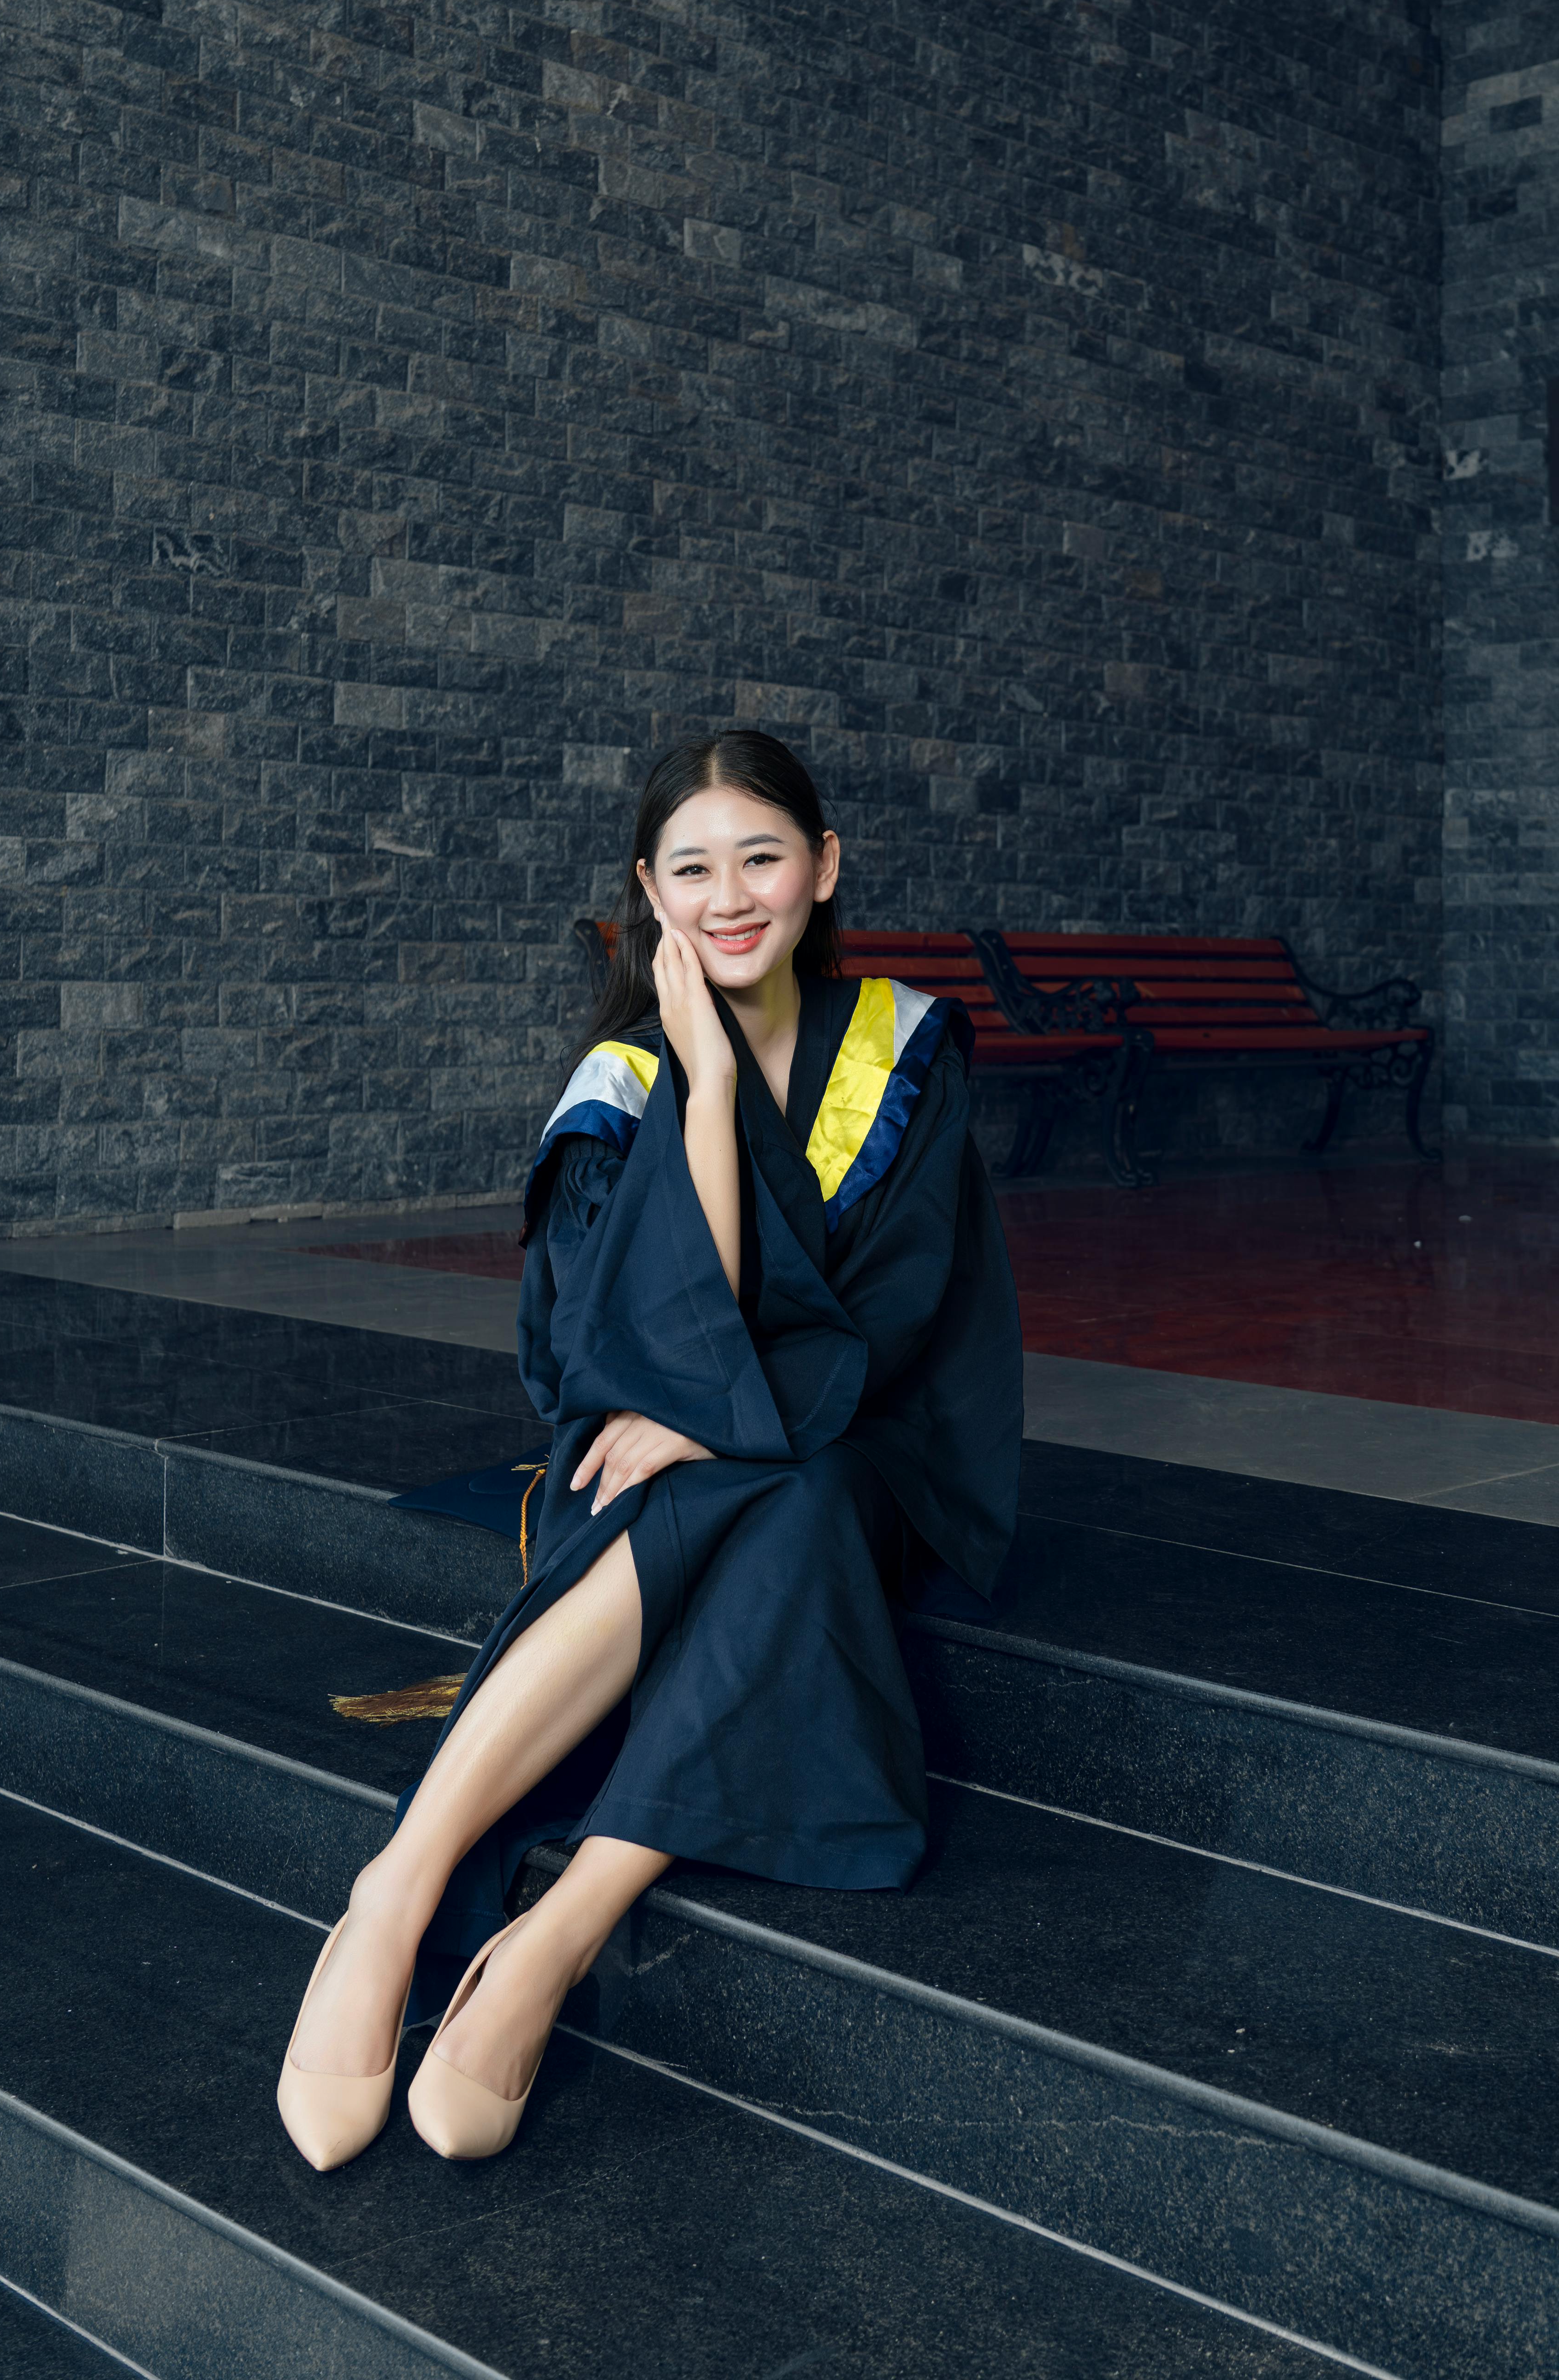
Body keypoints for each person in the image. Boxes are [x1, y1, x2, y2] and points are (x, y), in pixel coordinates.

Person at [276, 727, 1023, 2167]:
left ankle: (554, 1933)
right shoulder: (621, 1080)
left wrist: (717, 1406)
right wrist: (710, 1092)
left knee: (804, 1482)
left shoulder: (905, 1051)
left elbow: (898, 1312)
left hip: (869, 1439)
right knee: (776, 1497)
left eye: (762, 857)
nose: (729, 897)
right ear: (647, 891)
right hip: (677, 1459)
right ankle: (400, 1894)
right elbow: (620, 1351)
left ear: (823, 869)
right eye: (692, 869)